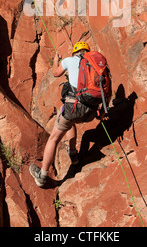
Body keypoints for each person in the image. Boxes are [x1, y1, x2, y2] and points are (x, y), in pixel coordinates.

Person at [29, 41, 109, 188]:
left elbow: (55, 73)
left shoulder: (69, 60)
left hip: (73, 109)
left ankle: (42, 176)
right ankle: (73, 156)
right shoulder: (96, 66)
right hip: (90, 112)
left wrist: (56, 61)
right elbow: (106, 90)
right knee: (70, 123)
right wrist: (101, 113)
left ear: (74, 52)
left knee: (53, 138)